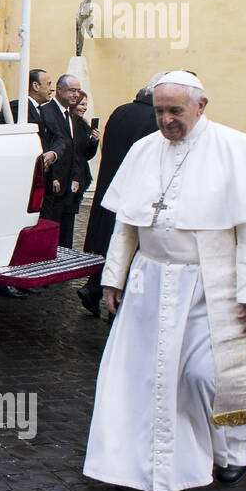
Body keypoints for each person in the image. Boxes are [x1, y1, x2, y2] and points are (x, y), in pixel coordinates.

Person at [83, 72, 246, 491]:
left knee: (213, 376)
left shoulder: (240, 150)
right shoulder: (143, 149)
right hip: (150, 283)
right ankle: (148, 463)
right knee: (146, 377)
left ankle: (236, 450)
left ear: (201, 106)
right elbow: (126, 224)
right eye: (160, 111)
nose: (167, 121)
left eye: (176, 111)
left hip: (214, 284)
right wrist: (113, 279)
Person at [77, 75, 163, 316]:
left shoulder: (120, 111)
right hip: (134, 188)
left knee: (104, 239)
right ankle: (116, 300)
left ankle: (93, 286)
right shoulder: (156, 120)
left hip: (108, 183)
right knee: (128, 242)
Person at [0, 68, 70, 298]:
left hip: (35, 180)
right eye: (47, 83)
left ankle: (21, 277)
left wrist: (52, 154)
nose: (51, 88)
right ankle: (4, 281)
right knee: (13, 229)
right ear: (35, 86)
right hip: (17, 181)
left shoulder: (44, 112)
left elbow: (59, 139)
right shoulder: (18, 108)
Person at [38, 74, 82, 231]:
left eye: (78, 91)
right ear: (59, 89)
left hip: (68, 187)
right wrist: (54, 176)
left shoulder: (70, 114)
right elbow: (47, 144)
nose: (76, 94)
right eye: (72, 90)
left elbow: (74, 148)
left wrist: (76, 176)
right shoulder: (46, 111)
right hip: (53, 185)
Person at [58, 90, 100, 249]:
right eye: (82, 104)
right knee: (65, 218)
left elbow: (85, 154)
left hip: (79, 175)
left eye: (85, 105)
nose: (84, 108)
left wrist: (94, 142)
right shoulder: (70, 124)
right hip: (70, 177)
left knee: (70, 217)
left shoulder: (82, 125)